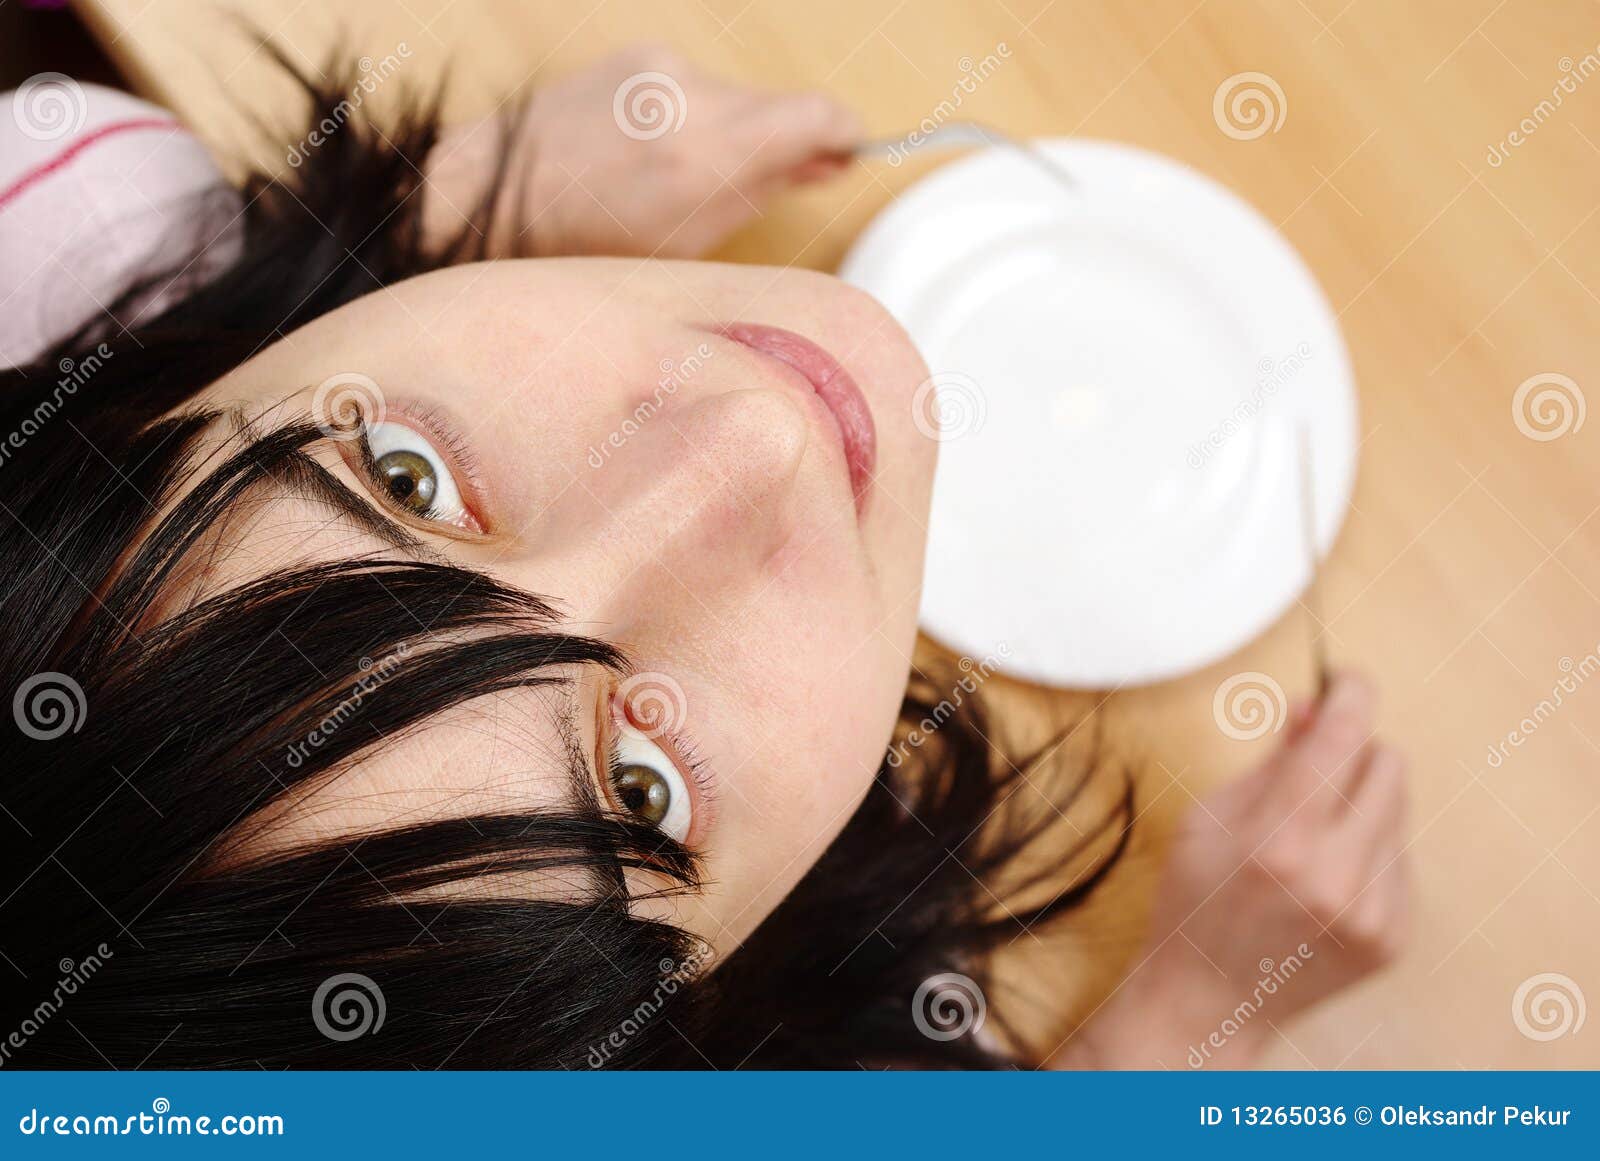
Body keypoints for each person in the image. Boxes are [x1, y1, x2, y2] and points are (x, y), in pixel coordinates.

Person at [0, 44, 1409, 1069]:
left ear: (141, 403)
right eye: (642, 790)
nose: (754, 440)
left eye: (406, 476)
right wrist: (1196, 1008)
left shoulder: (73, 223)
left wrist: (473, 193)